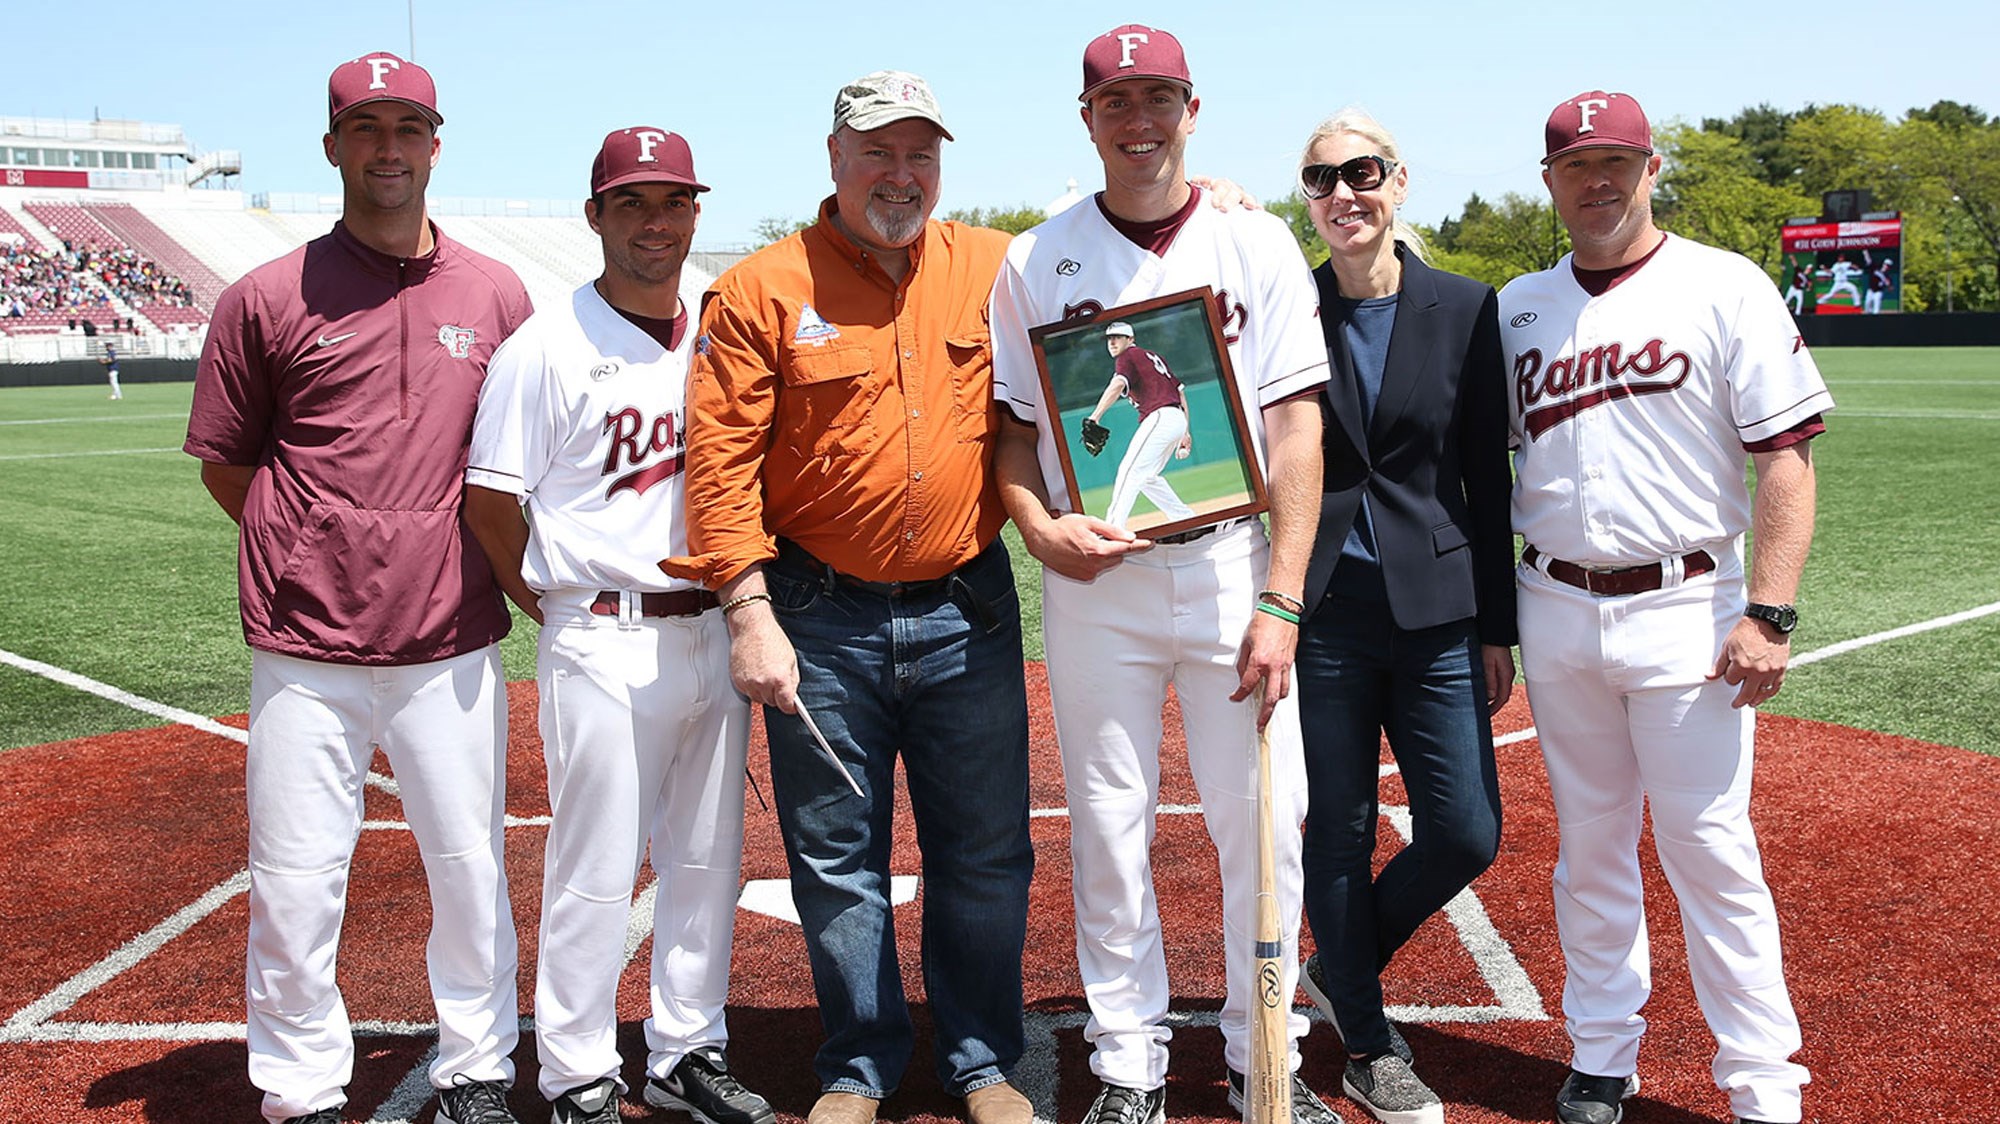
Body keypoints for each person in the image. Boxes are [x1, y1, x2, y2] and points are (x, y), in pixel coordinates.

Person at [668, 71, 1036, 1124]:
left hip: (967, 608)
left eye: (920, 153)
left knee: (984, 848)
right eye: (878, 151)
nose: (900, 174)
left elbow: (1109, 282)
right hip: (817, 613)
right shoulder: (759, 287)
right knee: (836, 856)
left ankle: (980, 1059)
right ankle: (857, 1064)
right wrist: (747, 610)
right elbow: (720, 463)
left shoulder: (994, 267)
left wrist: (1231, 209)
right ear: (832, 158)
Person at [988, 25, 1336, 1124]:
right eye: (1115, 102)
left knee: (1264, 820)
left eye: (1159, 98)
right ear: (1085, 118)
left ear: (1193, 108)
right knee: (1107, 817)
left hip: (1235, 565)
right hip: (1100, 585)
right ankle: (1129, 1061)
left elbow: (1293, 431)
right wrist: (1038, 529)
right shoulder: (1034, 257)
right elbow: (1007, 428)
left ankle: (1258, 1056)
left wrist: (1281, 595)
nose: (1139, 121)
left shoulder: (1256, 241)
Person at [183, 51, 530, 1124]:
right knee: (294, 882)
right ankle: (298, 1087)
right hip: (303, 650)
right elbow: (227, 461)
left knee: (470, 870)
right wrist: (313, 546)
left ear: (436, 142)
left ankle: (475, 1065)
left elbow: (515, 464)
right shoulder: (264, 295)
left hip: (451, 639)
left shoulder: (497, 292)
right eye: (367, 130)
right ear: (333, 145)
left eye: (408, 128)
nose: (389, 149)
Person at [1501, 90, 1832, 1124]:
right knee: (1588, 845)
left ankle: (1761, 1082)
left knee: (1709, 849)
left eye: (1616, 162)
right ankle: (1601, 1053)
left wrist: (1768, 612)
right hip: (1552, 601)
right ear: (1547, 181)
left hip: (1687, 604)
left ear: (1650, 170)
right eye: (1575, 165)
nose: (1596, 181)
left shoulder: (1720, 284)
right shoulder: (1515, 306)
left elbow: (1783, 459)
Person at [464, 128, 775, 1124]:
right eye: (633, 202)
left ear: (696, 212)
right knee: (594, 867)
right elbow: (489, 506)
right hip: (602, 627)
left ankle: (684, 1047)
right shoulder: (544, 346)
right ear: (594, 214)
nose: (656, 221)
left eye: (674, 201)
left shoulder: (724, 334)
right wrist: (556, 602)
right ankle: (576, 1070)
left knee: (704, 857)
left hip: (714, 626)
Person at [1287, 109, 1516, 1124]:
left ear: (1398, 180)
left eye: (1360, 170)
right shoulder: (1285, 309)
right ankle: (1368, 1047)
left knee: (1465, 829)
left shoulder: (1468, 308)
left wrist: (1496, 626)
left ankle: (1344, 962)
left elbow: (1486, 480)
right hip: (1325, 610)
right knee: (1332, 834)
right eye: (1320, 178)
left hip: (1436, 611)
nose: (1343, 191)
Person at [1085, 320, 1196, 529]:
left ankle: (1111, 529)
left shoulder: (1127, 356)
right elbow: (1179, 392)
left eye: (1117, 337)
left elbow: (1117, 384)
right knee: (1146, 477)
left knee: (1130, 470)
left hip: (1160, 417)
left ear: (1131, 339)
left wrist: (1095, 416)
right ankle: (1186, 518)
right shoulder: (1153, 356)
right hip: (1175, 418)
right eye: (1109, 338)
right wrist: (1185, 430)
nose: (1112, 342)